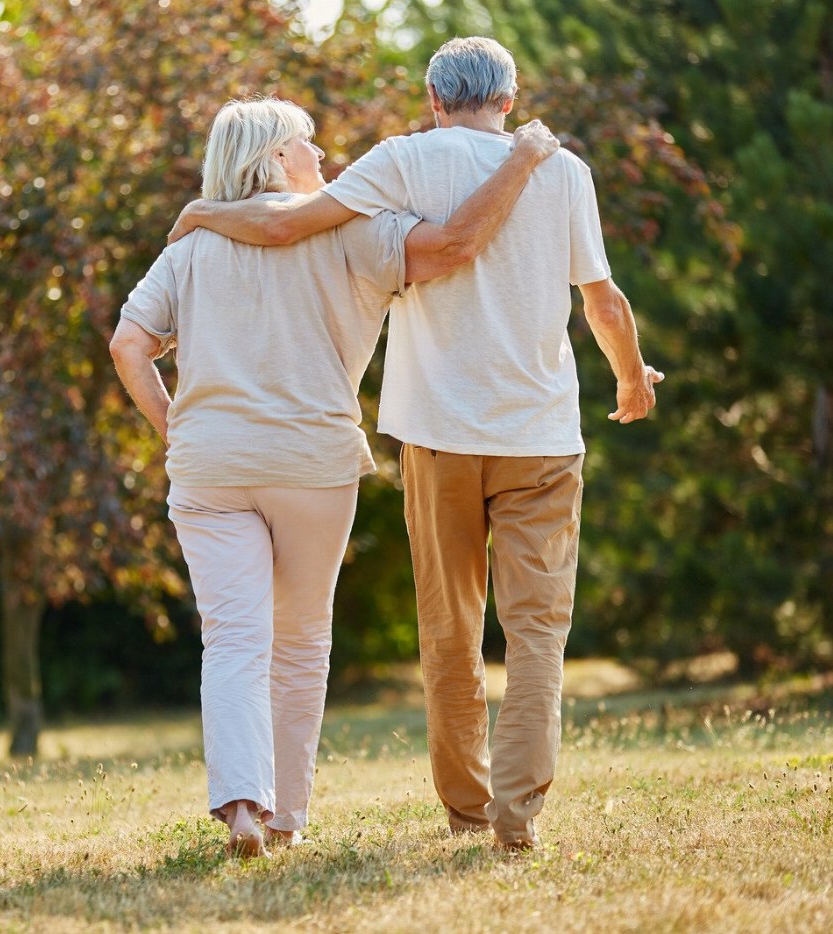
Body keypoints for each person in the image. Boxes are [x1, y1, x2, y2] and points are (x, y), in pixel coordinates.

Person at [168, 38, 664, 851]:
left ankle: (468, 809)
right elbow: (601, 299)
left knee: (450, 630)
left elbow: (289, 221)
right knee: (537, 632)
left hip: (437, 436)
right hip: (540, 437)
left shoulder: (399, 161)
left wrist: (200, 215)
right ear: (509, 98)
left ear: (434, 98)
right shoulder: (564, 170)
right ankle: (519, 813)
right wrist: (632, 376)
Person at [110, 97, 558, 857]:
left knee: (232, 640)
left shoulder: (191, 243)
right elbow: (450, 250)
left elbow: (129, 345)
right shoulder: (355, 231)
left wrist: (173, 427)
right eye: (308, 144)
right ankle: (287, 820)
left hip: (210, 464)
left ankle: (244, 806)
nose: (324, 157)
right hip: (311, 462)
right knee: (301, 641)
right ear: (279, 158)